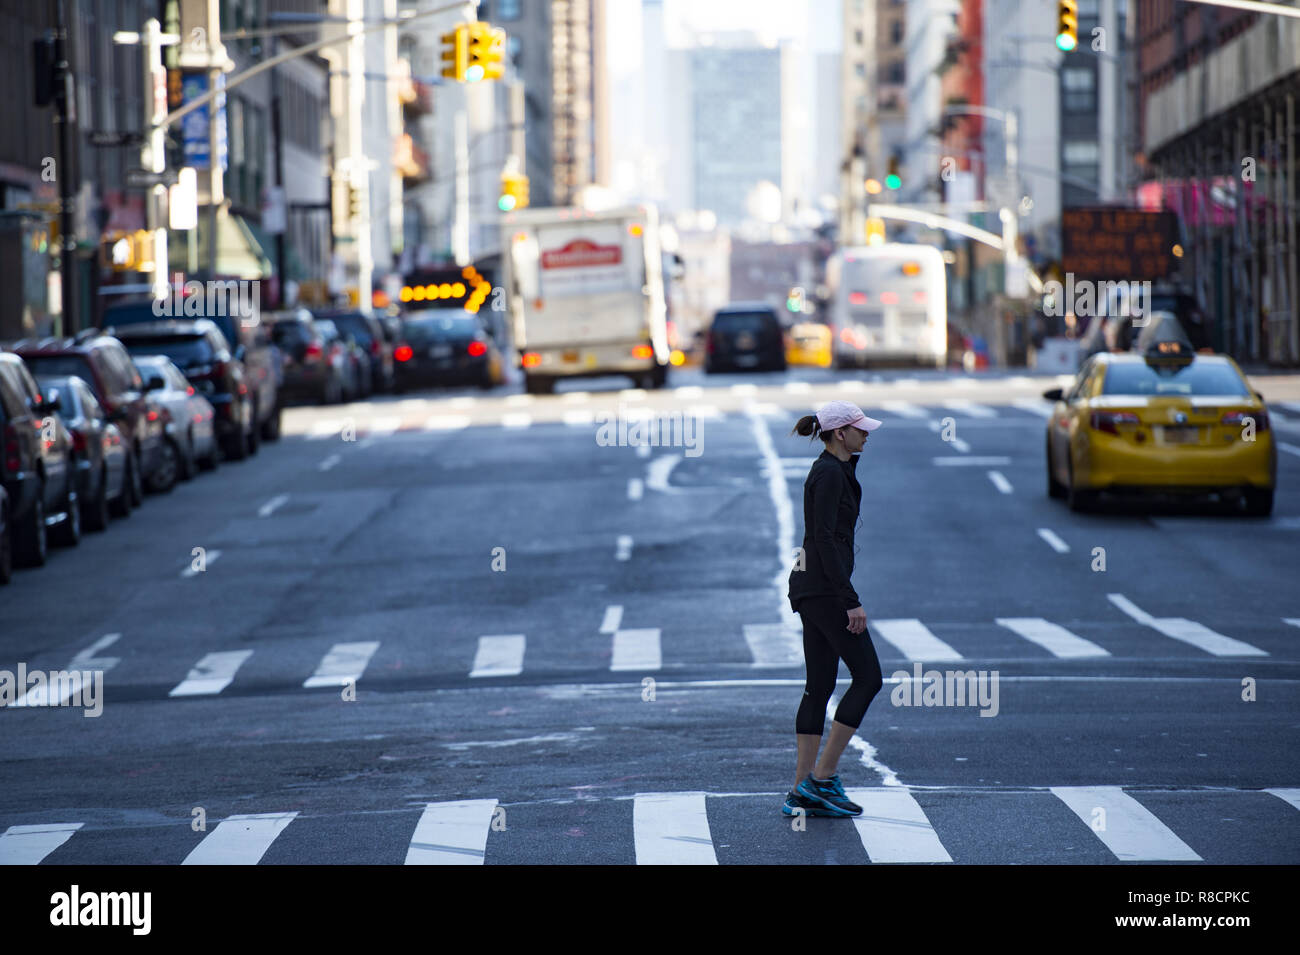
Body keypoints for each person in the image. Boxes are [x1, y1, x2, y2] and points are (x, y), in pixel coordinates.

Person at [783, 400, 884, 818]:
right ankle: (821, 778)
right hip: (824, 591)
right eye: (860, 429)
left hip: (813, 588)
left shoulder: (837, 469)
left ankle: (800, 792)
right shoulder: (828, 473)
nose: (867, 434)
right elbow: (823, 539)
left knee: (820, 685)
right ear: (839, 433)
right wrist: (850, 599)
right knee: (869, 678)